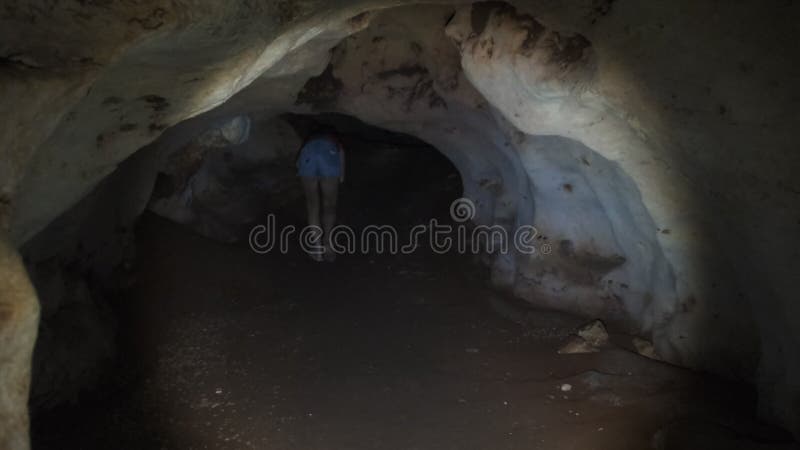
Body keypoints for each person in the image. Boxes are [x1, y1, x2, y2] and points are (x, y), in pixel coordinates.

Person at [296, 127, 345, 262]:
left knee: (312, 205)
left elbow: (298, 160)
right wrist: (341, 175)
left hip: (308, 154)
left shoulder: (309, 140)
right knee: (329, 205)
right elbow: (341, 156)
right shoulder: (334, 139)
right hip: (329, 154)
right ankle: (328, 244)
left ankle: (317, 249)